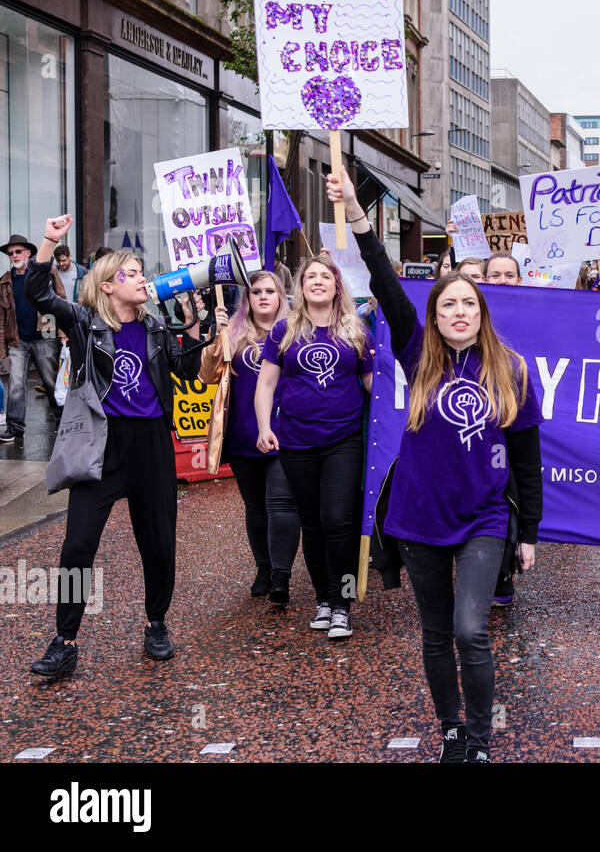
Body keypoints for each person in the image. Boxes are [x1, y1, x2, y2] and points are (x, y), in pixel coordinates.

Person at [332, 168, 543, 764]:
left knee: (472, 630)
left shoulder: (513, 370)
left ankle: (479, 739)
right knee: (434, 632)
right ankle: (450, 729)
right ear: (435, 313)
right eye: (447, 303)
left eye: (467, 304)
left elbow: (528, 461)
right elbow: (386, 281)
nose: (457, 312)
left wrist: (528, 533)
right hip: (418, 516)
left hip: (482, 518)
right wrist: (355, 212)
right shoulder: (418, 353)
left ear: (482, 312)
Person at [26, 215, 202, 678]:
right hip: (102, 445)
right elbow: (38, 294)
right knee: (77, 545)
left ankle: (156, 624)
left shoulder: (158, 327)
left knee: (159, 543)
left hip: (151, 446)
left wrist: (199, 326)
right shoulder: (86, 323)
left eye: (142, 273)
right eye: (131, 273)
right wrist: (49, 241)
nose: (143, 279)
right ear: (106, 286)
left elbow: (188, 373)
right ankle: (64, 641)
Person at [255, 255, 373, 640]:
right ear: (301, 287)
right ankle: (323, 599)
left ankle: (343, 604)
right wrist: (263, 427)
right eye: (311, 277)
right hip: (295, 441)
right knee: (312, 523)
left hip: (344, 439)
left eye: (326, 276)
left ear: (337, 286)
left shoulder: (355, 329)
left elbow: (374, 384)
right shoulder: (284, 331)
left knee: (339, 520)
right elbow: (266, 384)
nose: (318, 281)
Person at [199, 271, 299, 603]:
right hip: (243, 432)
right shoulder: (235, 334)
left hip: (285, 432)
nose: (263, 296)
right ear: (248, 298)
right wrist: (218, 334)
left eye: (271, 291)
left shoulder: (296, 333)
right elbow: (206, 374)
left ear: (281, 296)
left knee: (282, 503)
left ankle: (282, 575)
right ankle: (264, 567)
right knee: (255, 506)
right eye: (256, 291)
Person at [1, 233, 65, 442]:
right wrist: (2, 349)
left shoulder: (46, 272)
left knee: (51, 382)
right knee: (16, 384)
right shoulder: (5, 282)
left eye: (18, 251)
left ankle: (63, 421)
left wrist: (63, 334)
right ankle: (15, 427)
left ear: (28, 253)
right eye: (11, 253)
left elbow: (61, 302)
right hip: (18, 340)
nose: (14, 255)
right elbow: (2, 318)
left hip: (45, 335)